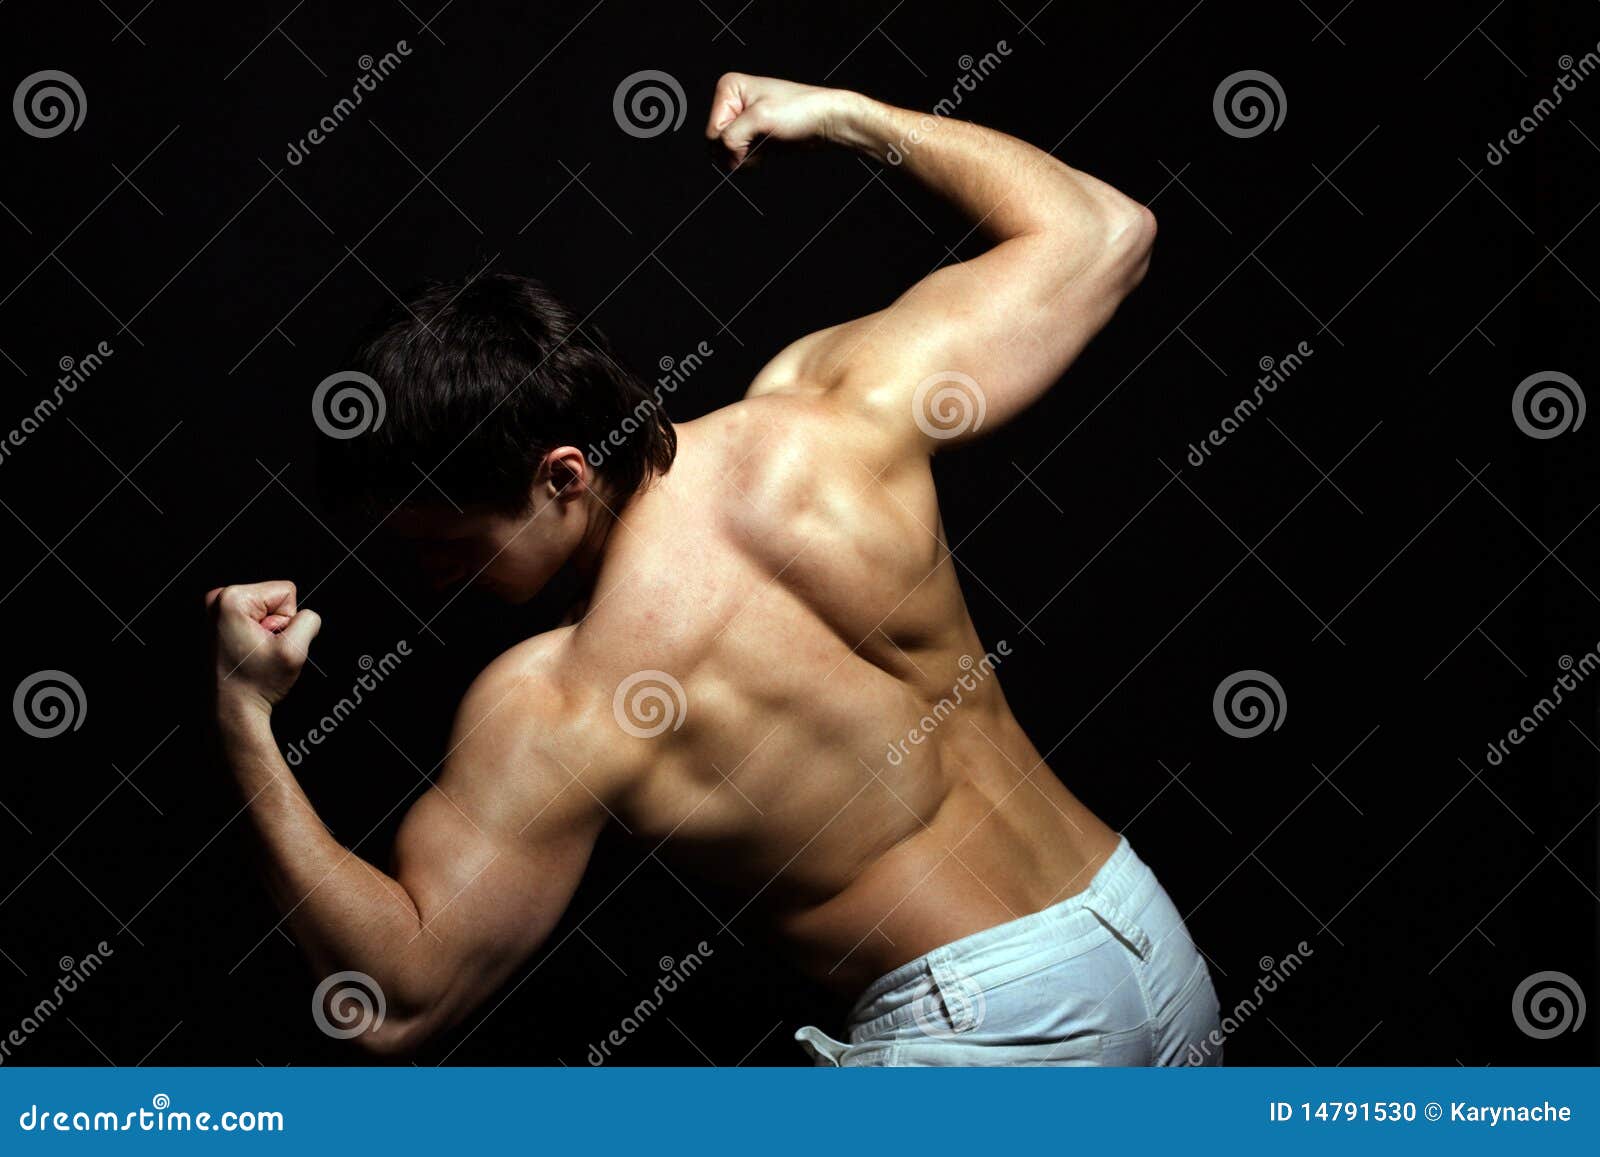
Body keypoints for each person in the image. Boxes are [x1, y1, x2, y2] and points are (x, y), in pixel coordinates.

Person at [206, 73, 1220, 1065]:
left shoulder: (564, 698)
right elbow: (1101, 229)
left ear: (564, 474)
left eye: (447, 541)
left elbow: (393, 1005)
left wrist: (243, 718)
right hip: (1140, 935)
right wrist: (848, 116)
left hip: (992, 1037)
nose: (426, 577)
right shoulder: (831, 412)